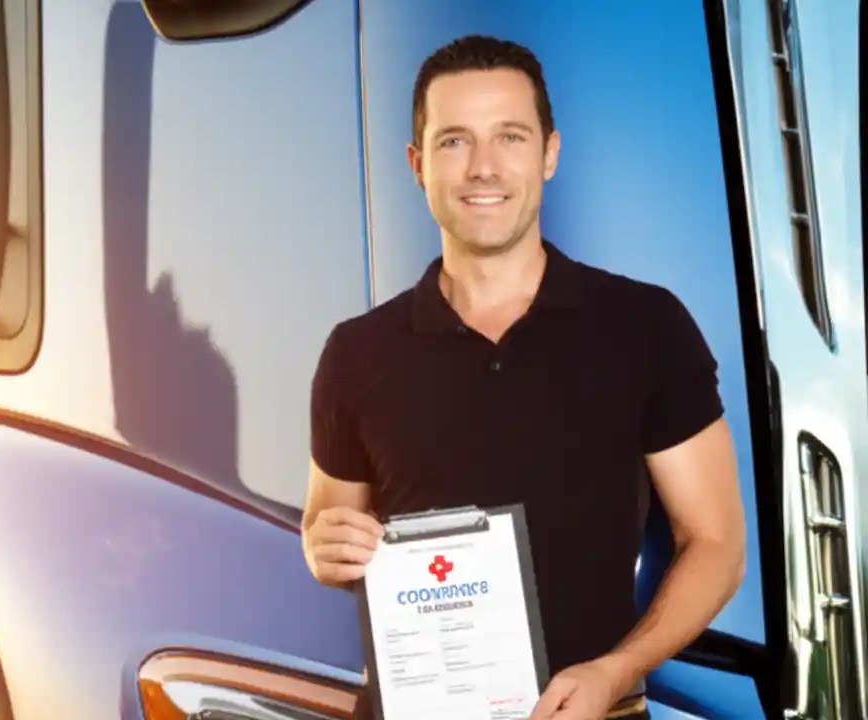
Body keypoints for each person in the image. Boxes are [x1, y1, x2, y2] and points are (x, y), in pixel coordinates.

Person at [302, 35, 746, 720]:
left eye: (509, 137)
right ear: (417, 165)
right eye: (454, 142)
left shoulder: (645, 325)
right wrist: (322, 547)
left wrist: (616, 670)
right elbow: (327, 522)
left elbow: (715, 544)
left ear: (549, 153)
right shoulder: (355, 353)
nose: (483, 167)